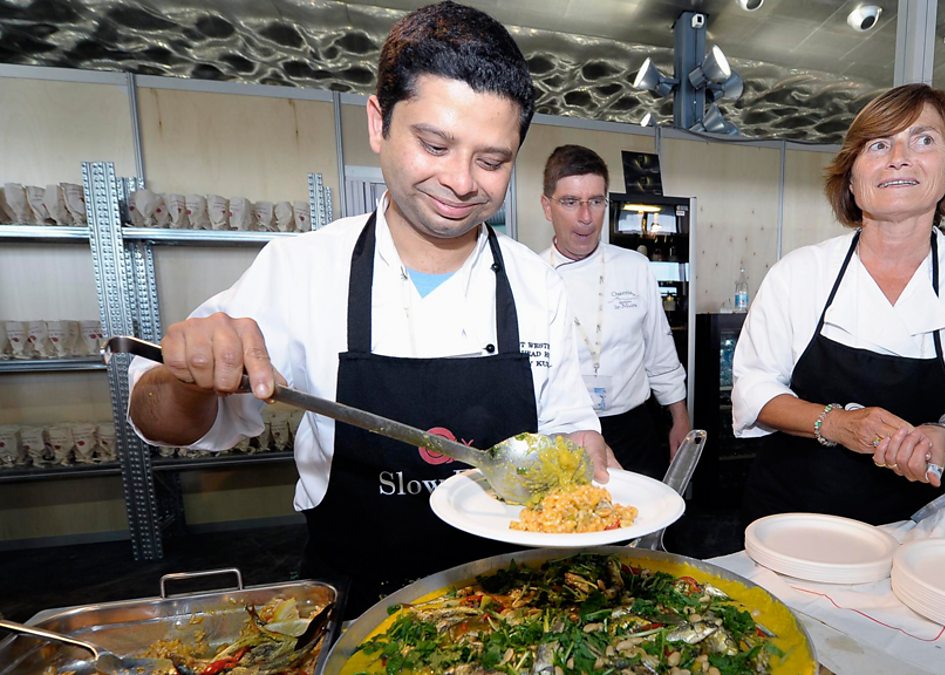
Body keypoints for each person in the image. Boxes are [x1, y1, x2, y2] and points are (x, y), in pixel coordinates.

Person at [124, 1, 615, 618]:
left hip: (512, 607)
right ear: (379, 123)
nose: (463, 182)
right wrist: (187, 377)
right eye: (435, 144)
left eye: (492, 161)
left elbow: (570, 424)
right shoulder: (302, 268)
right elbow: (156, 417)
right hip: (358, 606)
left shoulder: (534, 282)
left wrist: (590, 463)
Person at [732, 83, 945, 526]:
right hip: (791, 514)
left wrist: (942, 436)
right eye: (879, 144)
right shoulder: (799, 273)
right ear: (852, 178)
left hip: (916, 525)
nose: (900, 156)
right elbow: (754, 388)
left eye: (924, 140)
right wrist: (836, 424)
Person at [539, 145, 690, 479]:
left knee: (644, 522)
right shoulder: (532, 278)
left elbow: (660, 353)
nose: (585, 217)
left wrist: (680, 419)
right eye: (570, 202)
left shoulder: (634, 267)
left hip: (635, 426)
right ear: (547, 207)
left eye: (596, 201)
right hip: (564, 432)